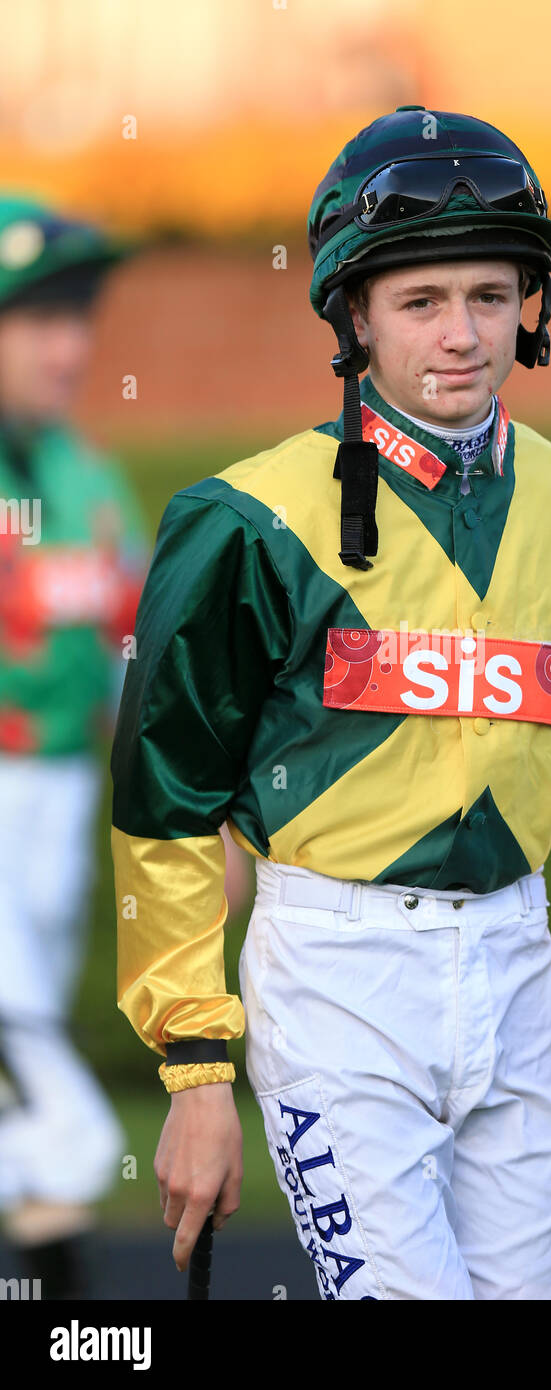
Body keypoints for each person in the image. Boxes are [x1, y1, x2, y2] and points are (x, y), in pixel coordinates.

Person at [110, 106, 551, 1301]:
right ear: (354, 316)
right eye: (421, 302)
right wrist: (195, 1070)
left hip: (515, 971)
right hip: (334, 976)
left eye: (491, 297)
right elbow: (168, 807)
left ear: (529, 306)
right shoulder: (243, 521)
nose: (462, 336)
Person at [0, 196, 149, 1297]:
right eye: (37, 315)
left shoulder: (89, 482)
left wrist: (210, 824)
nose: (72, 344)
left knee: (26, 1139)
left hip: (49, 828)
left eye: (78, 312)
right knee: (46, 1101)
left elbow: (135, 672)